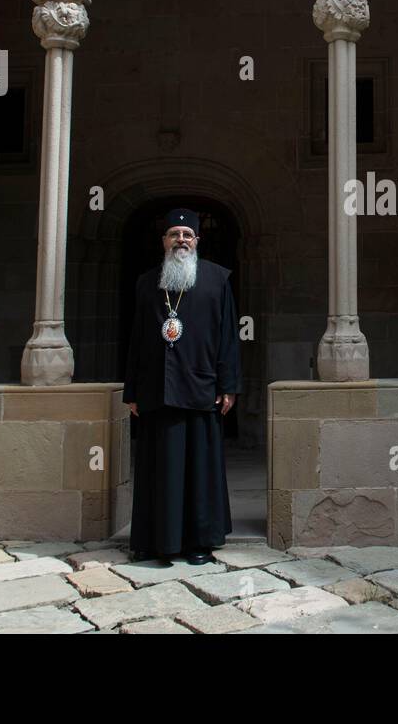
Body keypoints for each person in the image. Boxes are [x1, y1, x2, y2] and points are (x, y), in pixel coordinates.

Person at [123, 207, 240, 566]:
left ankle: (199, 542)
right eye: (174, 234)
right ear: (164, 242)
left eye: (187, 236)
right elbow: (137, 340)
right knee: (159, 471)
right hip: (157, 391)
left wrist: (229, 386)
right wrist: (132, 392)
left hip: (201, 388)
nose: (181, 241)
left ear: (197, 242)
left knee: (199, 473)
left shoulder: (218, 280)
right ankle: (153, 541)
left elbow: (228, 338)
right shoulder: (147, 282)